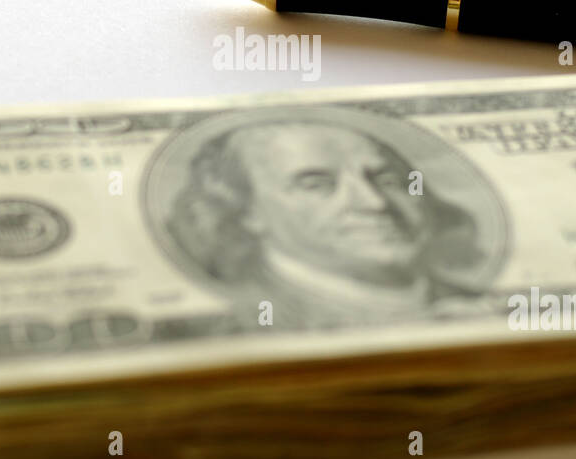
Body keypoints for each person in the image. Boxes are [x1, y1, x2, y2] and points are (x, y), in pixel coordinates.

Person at [166, 120, 489, 329]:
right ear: (247, 210)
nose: (374, 202)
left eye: (386, 179)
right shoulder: (235, 326)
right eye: (316, 184)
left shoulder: (483, 304)